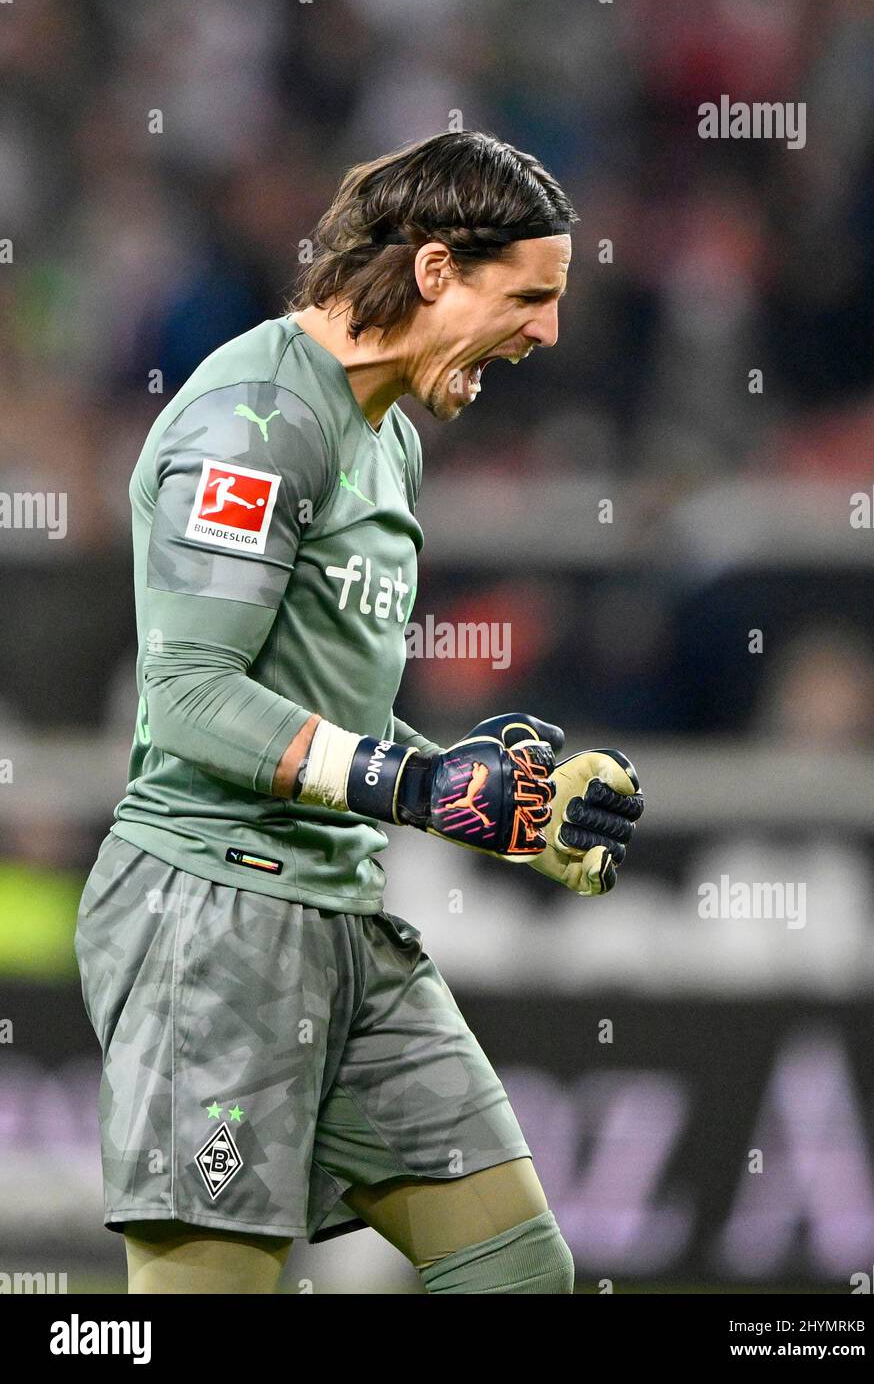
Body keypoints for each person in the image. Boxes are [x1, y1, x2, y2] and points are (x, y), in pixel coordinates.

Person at [75, 129, 643, 1295]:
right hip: (213, 928)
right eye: (529, 296)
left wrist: (515, 818)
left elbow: (335, 726)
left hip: (344, 920)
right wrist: (409, 784)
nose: (548, 332)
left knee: (516, 1272)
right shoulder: (253, 417)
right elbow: (186, 697)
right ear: (435, 271)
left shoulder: (390, 441)